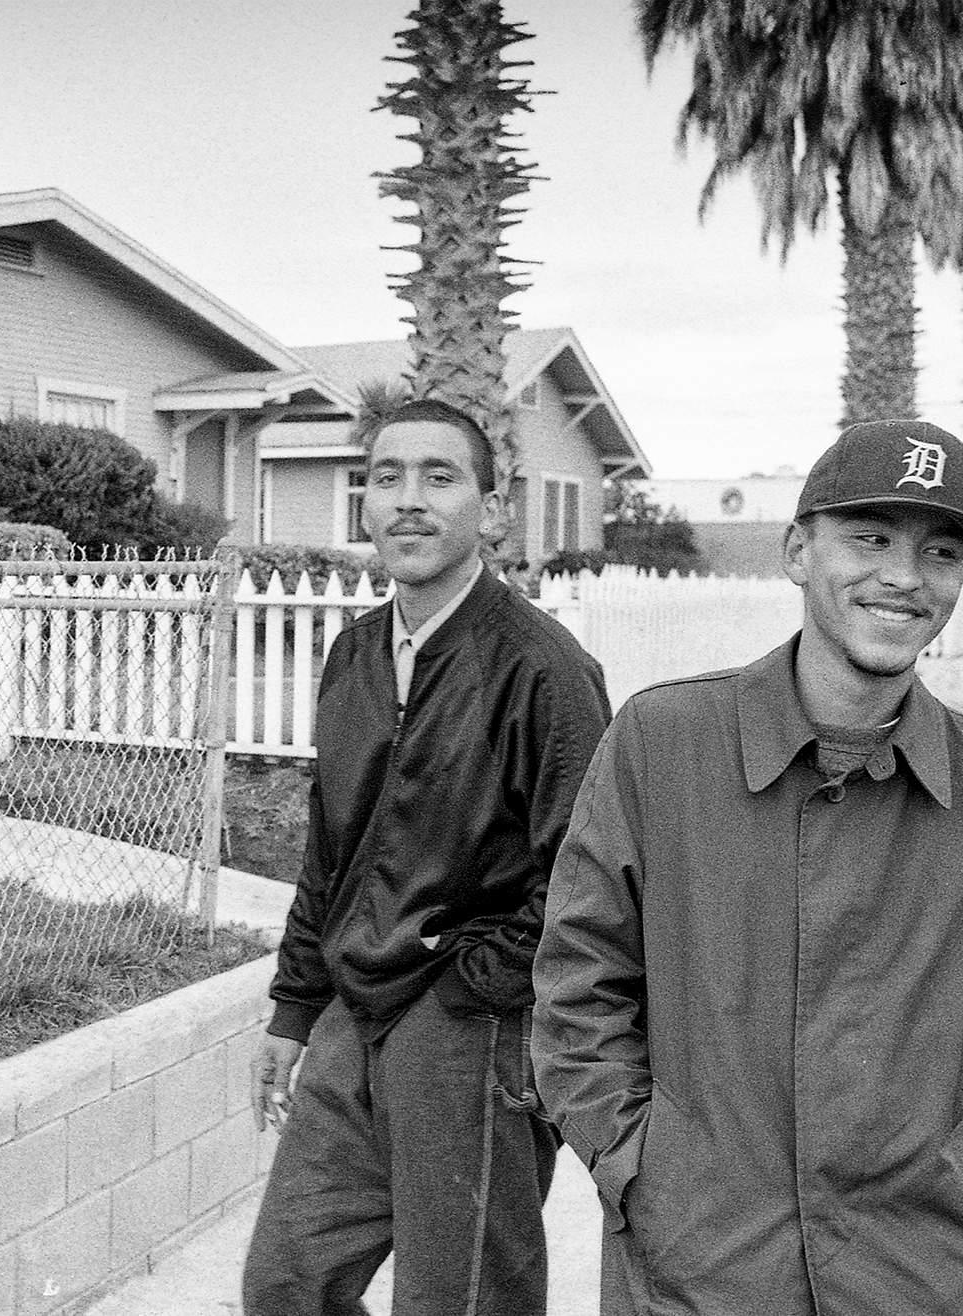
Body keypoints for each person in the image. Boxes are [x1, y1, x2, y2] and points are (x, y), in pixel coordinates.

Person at [533, 419, 963, 1315]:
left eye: (940, 551)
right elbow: (577, 991)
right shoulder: (661, 744)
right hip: (693, 1277)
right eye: (870, 538)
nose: (904, 576)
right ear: (796, 550)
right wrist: (640, 1172)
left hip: (917, 1283)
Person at [241, 397, 612, 1315]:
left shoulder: (543, 668)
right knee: (290, 1283)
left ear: (492, 508)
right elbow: (331, 850)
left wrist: (472, 986)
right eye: (388, 477)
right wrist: (294, 1011)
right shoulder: (356, 654)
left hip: (470, 1028)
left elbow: (589, 881)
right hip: (351, 1015)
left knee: (463, 1299)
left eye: (440, 477)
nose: (409, 500)